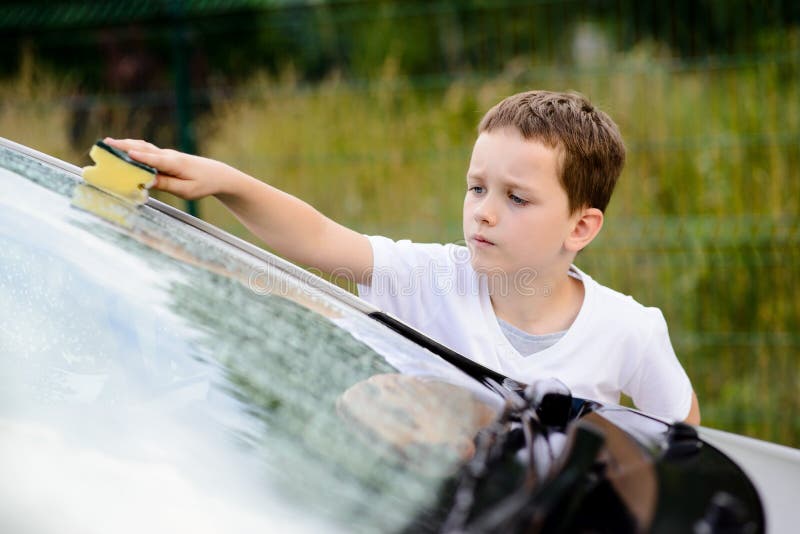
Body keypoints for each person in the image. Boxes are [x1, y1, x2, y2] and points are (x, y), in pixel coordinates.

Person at [105, 90, 700, 424]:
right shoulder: (433, 278)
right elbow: (317, 239)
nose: (484, 212)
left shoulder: (629, 330)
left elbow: (684, 444)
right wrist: (222, 179)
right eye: (476, 187)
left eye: (516, 197)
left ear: (582, 225)